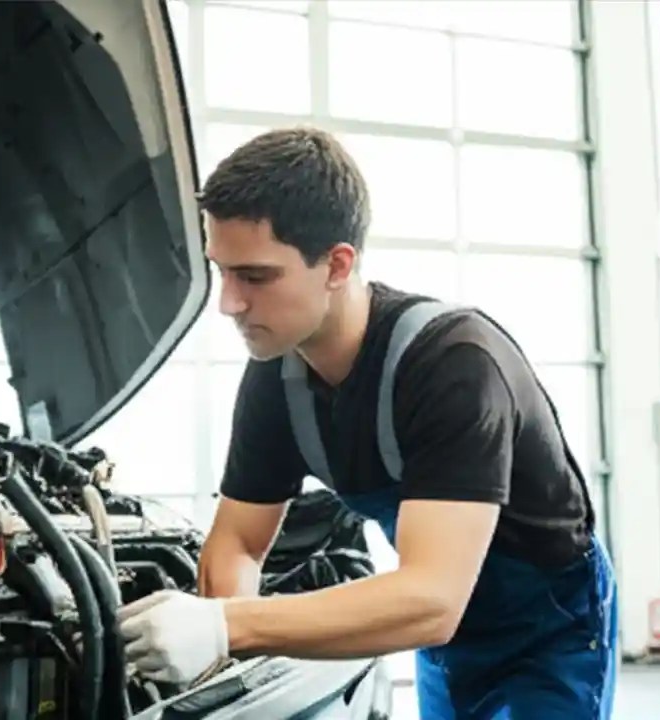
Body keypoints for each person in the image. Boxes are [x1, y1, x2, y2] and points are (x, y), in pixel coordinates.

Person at [117, 126, 617, 718]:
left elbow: (433, 597)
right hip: (445, 637)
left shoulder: (455, 365)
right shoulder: (277, 377)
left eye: (254, 276)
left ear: (336, 264)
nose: (228, 303)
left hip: (547, 628)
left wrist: (229, 626)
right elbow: (239, 542)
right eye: (220, 271)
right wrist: (223, 663)